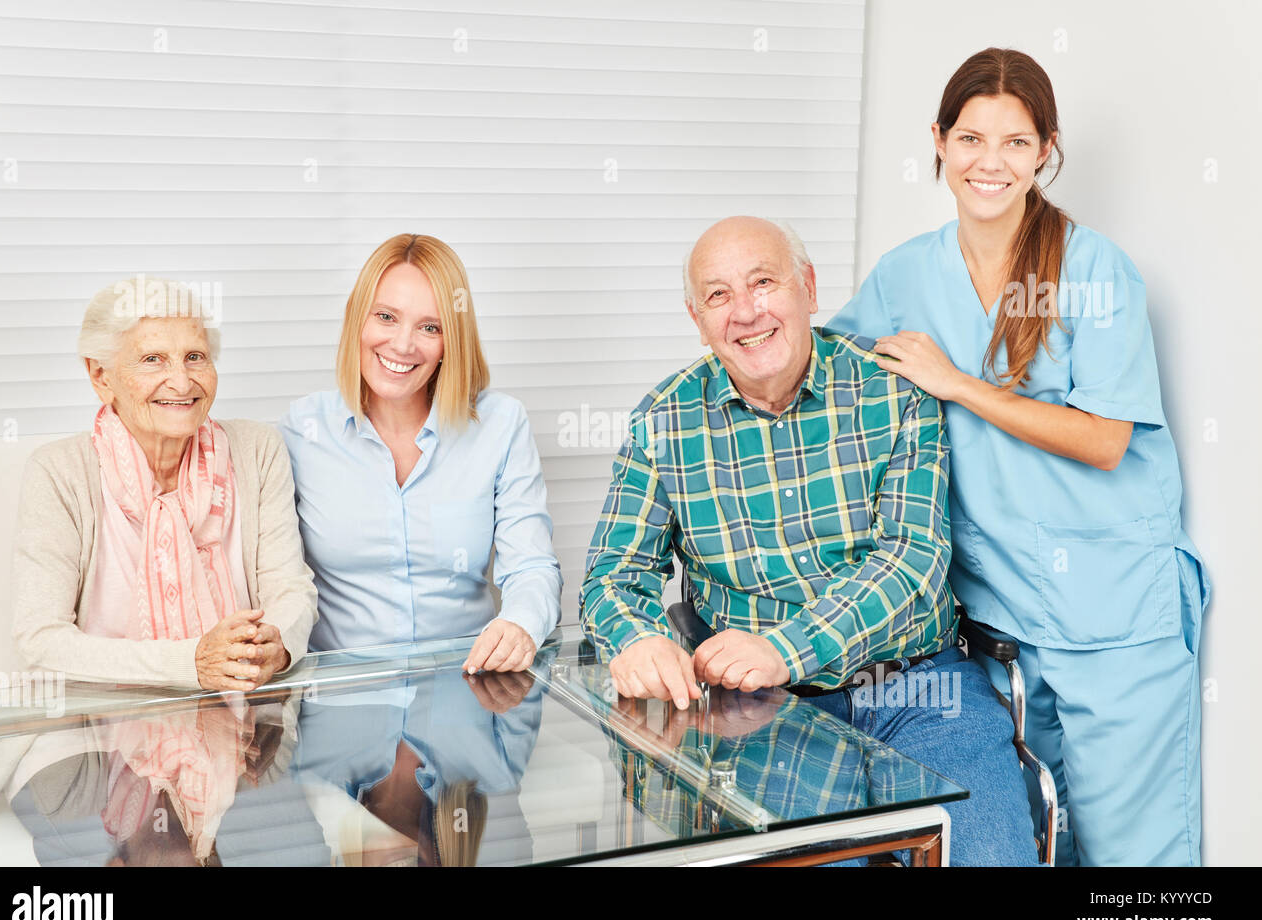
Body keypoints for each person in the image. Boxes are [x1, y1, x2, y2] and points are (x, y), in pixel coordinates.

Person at [828, 48, 1208, 866]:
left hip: (1113, 620)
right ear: (938, 141)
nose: (988, 163)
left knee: (1133, 865)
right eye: (969, 139)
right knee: (1043, 846)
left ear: (1046, 150)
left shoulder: (1095, 271)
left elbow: (1105, 439)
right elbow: (824, 366)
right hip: (997, 626)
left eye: (1014, 142)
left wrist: (959, 385)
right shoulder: (905, 275)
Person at [580, 215, 1039, 866]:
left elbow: (912, 559)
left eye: (763, 282)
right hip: (764, 711)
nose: (744, 312)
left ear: (809, 288)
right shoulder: (663, 421)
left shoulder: (897, 391)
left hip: (919, 686)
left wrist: (784, 648)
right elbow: (611, 577)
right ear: (696, 318)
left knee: (991, 858)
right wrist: (637, 637)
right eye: (718, 296)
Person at [12, 276, 317, 691]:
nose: (181, 381)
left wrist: (276, 645)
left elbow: (291, 589)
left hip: (247, 719)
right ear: (101, 375)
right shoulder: (59, 472)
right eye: (153, 359)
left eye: (195, 356)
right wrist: (189, 663)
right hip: (101, 732)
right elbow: (41, 641)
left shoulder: (256, 449)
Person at [279, 234, 561, 673]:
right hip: (342, 703)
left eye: (430, 327)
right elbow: (279, 586)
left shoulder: (501, 424)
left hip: (466, 690)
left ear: (453, 340)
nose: (403, 345)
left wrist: (520, 623)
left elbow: (531, 565)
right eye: (387, 317)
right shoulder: (303, 430)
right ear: (359, 320)